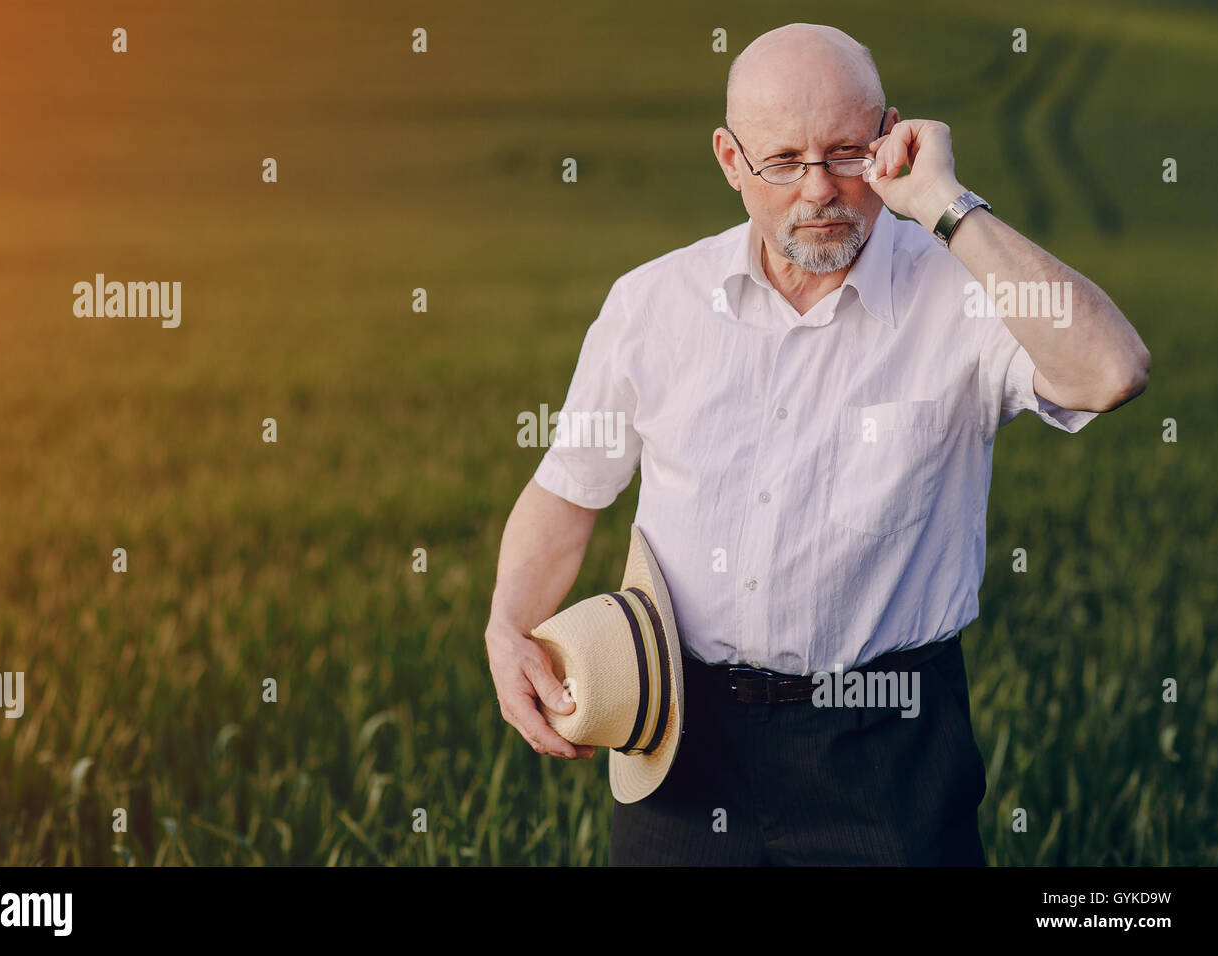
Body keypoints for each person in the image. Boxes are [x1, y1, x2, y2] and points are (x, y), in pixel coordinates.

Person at [483, 22, 1150, 865]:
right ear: (731, 161)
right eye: (783, 161)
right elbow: (566, 491)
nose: (820, 190)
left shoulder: (961, 295)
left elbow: (1112, 371)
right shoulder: (651, 305)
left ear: (890, 139)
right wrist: (507, 627)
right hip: (678, 738)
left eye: (846, 153)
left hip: (887, 749)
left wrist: (949, 206)